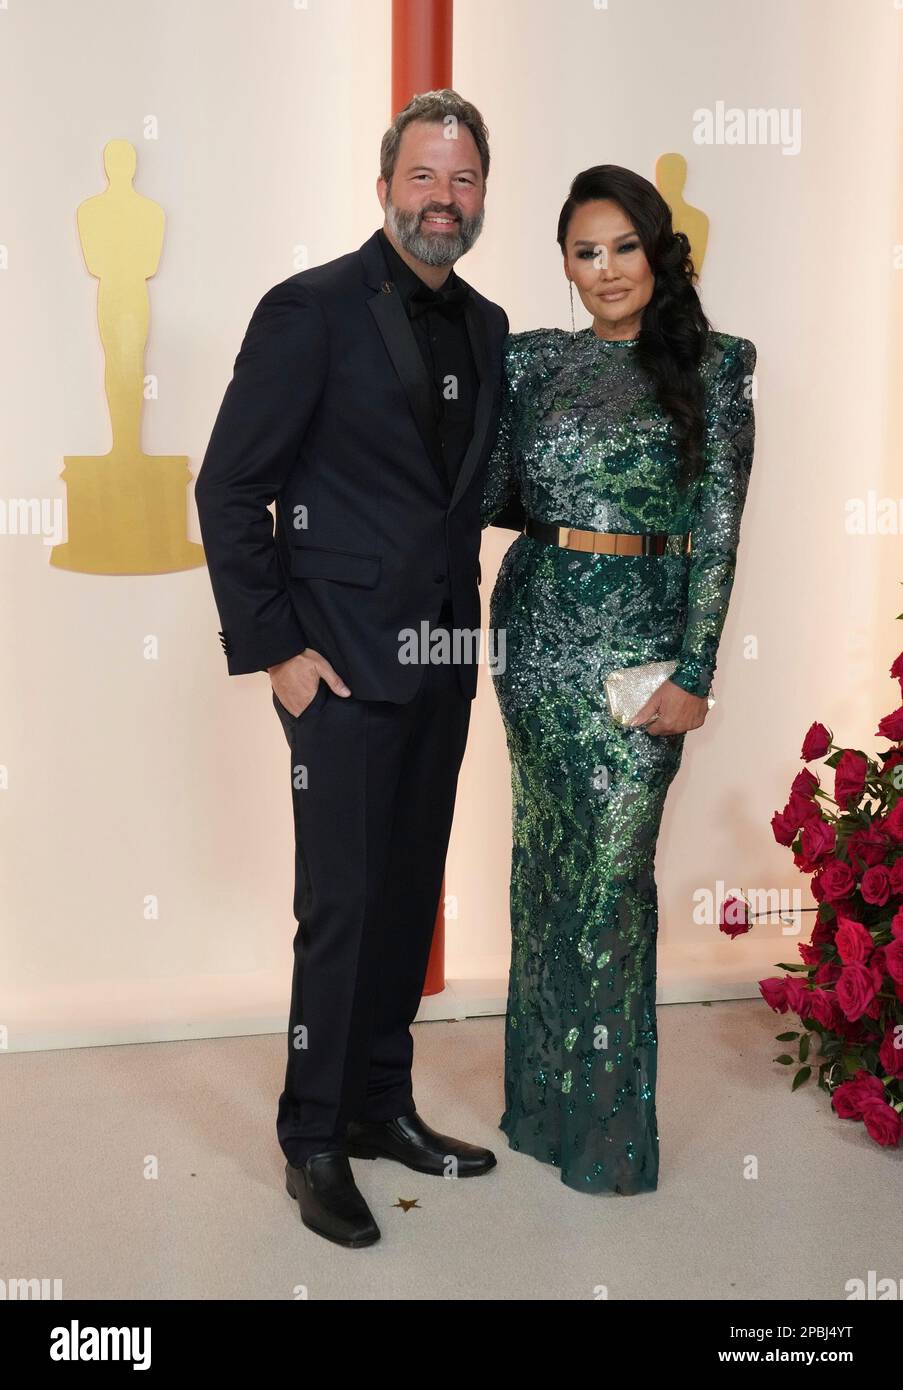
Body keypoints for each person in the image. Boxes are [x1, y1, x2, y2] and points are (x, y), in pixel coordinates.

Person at [195, 89, 507, 1248]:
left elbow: (466, 493)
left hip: (440, 660)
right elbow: (230, 488)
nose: (442, 198)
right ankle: (312, 1139)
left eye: (463, 179)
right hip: (334, 669)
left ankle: (381, 1105)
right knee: (340, 908)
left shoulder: (488, 324)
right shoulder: (310, 308)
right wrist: (276, 647)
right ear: (386, 188)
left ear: (484, 196)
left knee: (406, 894)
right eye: (424, 177)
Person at [481, 165, 757, 1195]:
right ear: (564, 262)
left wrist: (697, 670)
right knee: (547, 865)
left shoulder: (718, 365)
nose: (605, 270)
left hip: (645, 650)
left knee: (612, 882)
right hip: (538, 635)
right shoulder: (533, 365)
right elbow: (489, 489)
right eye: (585, 252)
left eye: (623, 247)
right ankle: (542, 1109)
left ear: (657, 251)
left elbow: (720, 530)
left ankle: (607, 1139)